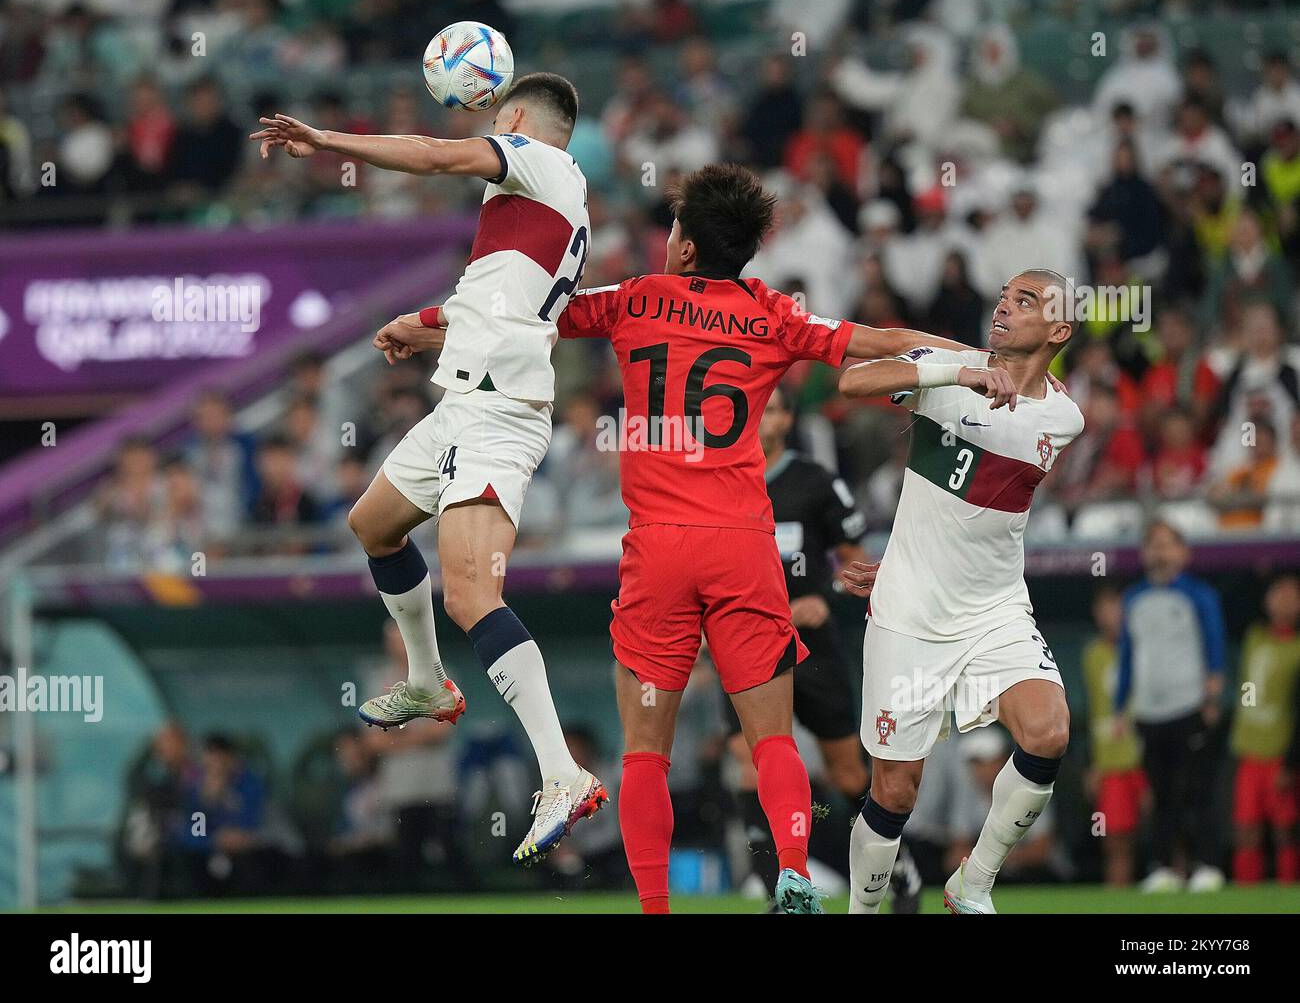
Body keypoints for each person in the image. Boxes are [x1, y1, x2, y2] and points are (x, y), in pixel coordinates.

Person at [519, 163, 972, 913]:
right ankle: (794, 870)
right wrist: (975, 361)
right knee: (772, 740)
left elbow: (531, 317)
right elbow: (875, 342)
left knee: (644, 751)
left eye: (672, 230)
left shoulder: (634, 300)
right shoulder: (772, 314)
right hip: (742, 545)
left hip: (658, 549)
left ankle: (656, 908)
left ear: (688, 248)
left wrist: (427, 322)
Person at [250, 73, 608, 868]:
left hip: (500, 412)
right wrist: (428, 322)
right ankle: (429, 680)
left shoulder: (537, 163)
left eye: (493, 113)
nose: (485, 124)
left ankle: (562, 771)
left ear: (515, 119)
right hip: (460, 402)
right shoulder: (538, 205)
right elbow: (504, 301)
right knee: (372, 523)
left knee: (474, 593)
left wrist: (327, 140)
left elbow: (431, 156)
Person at [837, 268, 1084, 914]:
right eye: (1004, 296)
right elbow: (852, 380)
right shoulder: (948, 367)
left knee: (1049, 730)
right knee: (895, 792)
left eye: (1024, 301)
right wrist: (954, 374)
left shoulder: (1064, 418)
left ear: (1058, 329)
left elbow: (979, 499)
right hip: (910, 612)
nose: (1004, 306)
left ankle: (972, 882)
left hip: (995, 609)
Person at [723, 384, 921, 913]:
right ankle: (779, 894)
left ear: (787, 420)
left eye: (772, 408)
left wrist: (826, 597)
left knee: (849, 773)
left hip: (811, 648)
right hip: (745, 645)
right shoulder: (720, 481)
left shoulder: (814, 482)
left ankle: (899, 871)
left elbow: (858, 564)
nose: (761, 418)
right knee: (750, 763)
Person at [1116, 520, 1227, 893]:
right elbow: (1128, 656)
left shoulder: (1199, 595)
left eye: (1167, 545)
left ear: (1183, 552)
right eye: (1153, 545)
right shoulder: (1132, 599)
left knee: (1196, 791)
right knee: (1160, 796)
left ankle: (1206, 865)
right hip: (1148, 713)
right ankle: (1163, 867)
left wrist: (1212, 695)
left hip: (1189, 707)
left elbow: (1215, 646)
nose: (1159, 552)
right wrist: (1120, 708)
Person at [1230, 575, 1300, 884]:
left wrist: (1291, 761)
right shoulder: (1254, 635)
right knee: (1246, 830)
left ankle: (1288, 893)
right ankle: (1247, 896)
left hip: (1279, 753)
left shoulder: (1297, 648)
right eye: (1278, 593)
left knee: (1285, 830)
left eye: (1291, 596)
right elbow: (1236, 599)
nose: (1284, 601)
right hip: (1248, 752)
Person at [1081, 586, 1146, 887]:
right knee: (1115, 840)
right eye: (1104, 608)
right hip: (1111, 764)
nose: (1111, 615)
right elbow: (1094, 712)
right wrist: (1093, 763)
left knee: (1167, 832)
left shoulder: (1146, 648)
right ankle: (1118, 900)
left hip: (1147, 756)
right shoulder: (1092, 655)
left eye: (1117, 607)